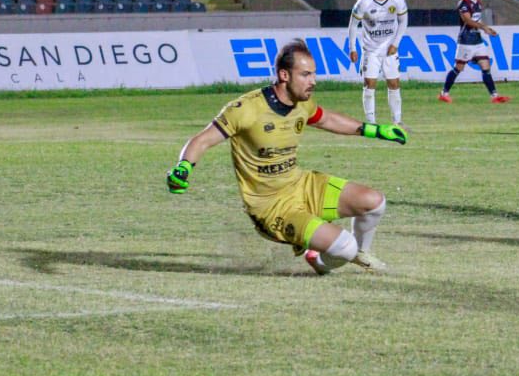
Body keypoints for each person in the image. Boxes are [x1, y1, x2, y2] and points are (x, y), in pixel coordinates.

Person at [165, 38, 407, 275]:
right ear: (284, 75)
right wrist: (184, 167)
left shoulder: (302, 102)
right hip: (271, 207)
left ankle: (360, 255)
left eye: (313, 74)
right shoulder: (246, 109)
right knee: (345, 247)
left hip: (300, 185)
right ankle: (320, 260)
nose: (313, 81)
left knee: (374, 202)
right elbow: (202, 139)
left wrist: (373, 130)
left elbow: (326, 119)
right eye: (305, 75)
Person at [348, 0, 409, 126]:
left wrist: (395, 43)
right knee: (369, 83)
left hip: (389, 49)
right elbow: (353, 26)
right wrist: (352, 48)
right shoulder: (363, 3)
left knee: (394, 84)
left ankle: (397, 121)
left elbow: (403, 21)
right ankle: (371, 122)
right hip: (371, 50)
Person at [438, 0, 510, 104]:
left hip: (477, 40)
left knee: (485, 66)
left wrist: (487, 29)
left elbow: (477, 20)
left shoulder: (478, 2)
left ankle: (494, 96)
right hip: (466, 40)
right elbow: (468, 20)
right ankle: (444, 93)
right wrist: (484, 27)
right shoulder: (463, 2)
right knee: (458, 68)